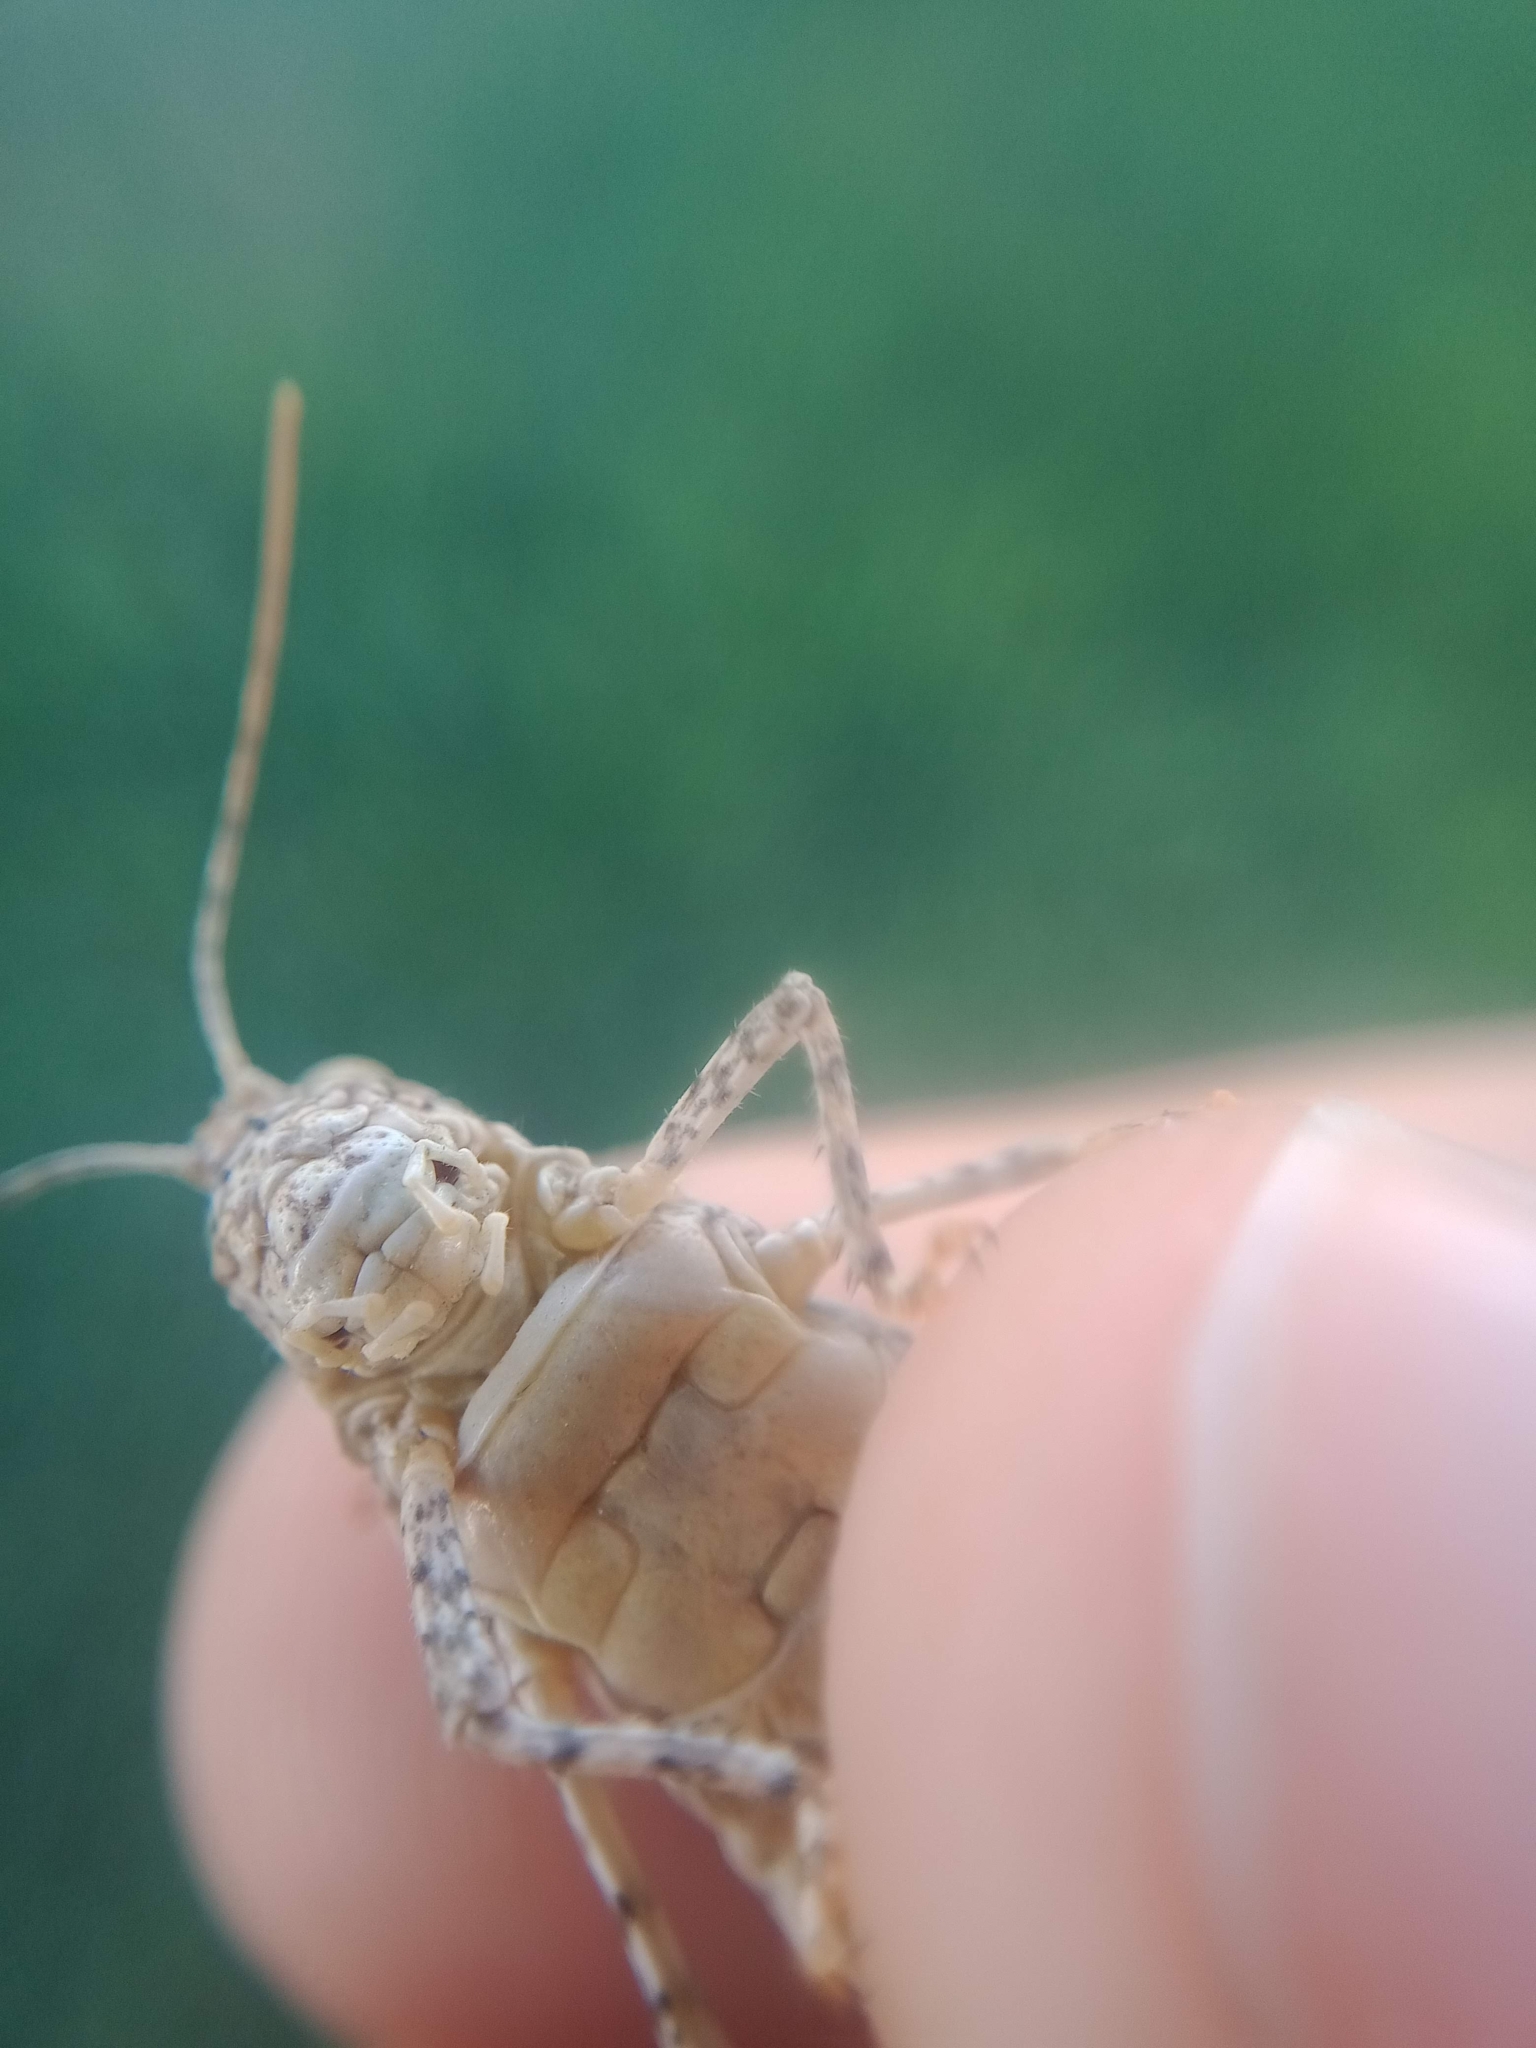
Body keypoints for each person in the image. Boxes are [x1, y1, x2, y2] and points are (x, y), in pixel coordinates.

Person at [165, 1020, 1536, 2047]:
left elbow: (493, 1718)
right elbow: (798, 1014)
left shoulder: (435, 1440)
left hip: (921, 1642)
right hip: (883, 1703)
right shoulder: (461, 1413)